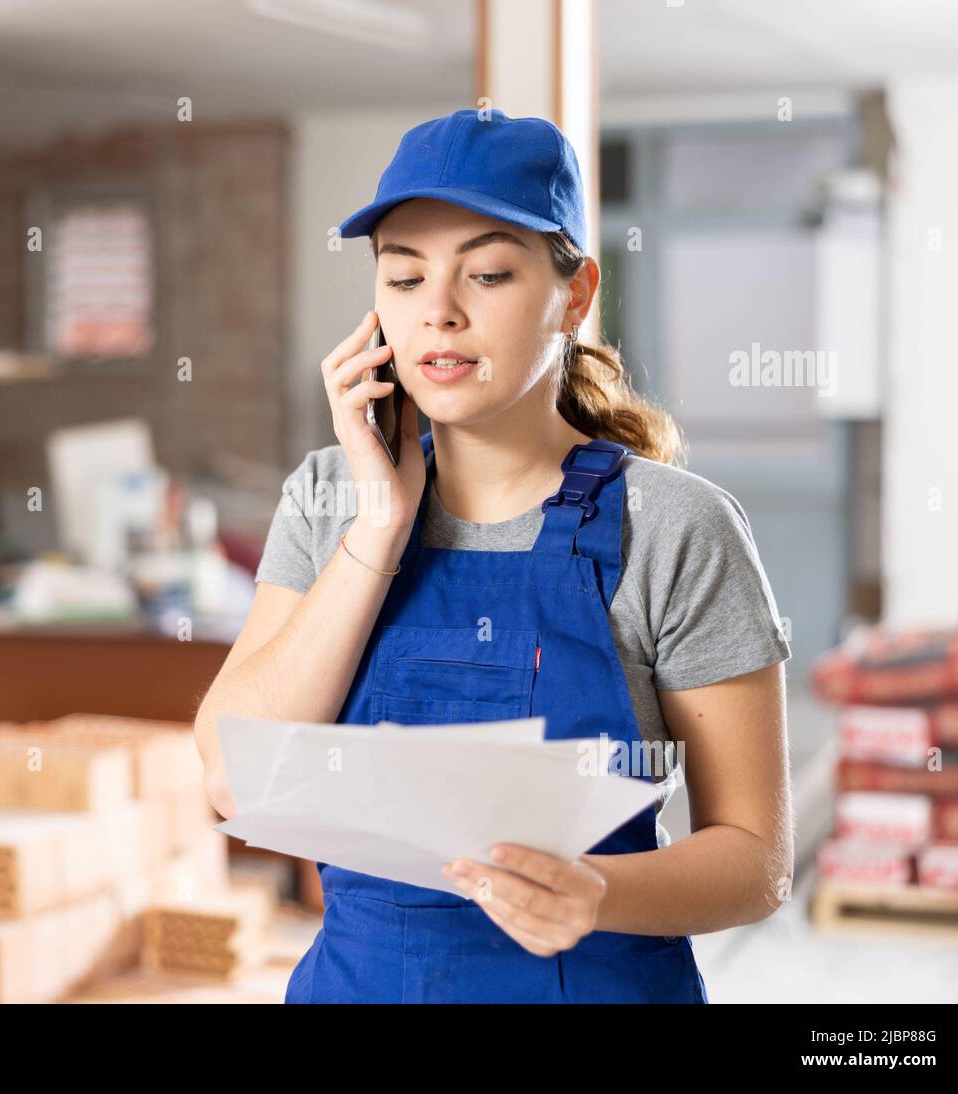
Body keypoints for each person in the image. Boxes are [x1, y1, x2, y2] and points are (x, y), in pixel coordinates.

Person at [193, 108, 793, 1004]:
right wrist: (378, 529)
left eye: (487, 272)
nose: (437, 310)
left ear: (575, 294)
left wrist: (597, 895)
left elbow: (756, 860)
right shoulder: (328, 497)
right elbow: (230, 779)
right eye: (403, 276)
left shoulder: (675, 527)